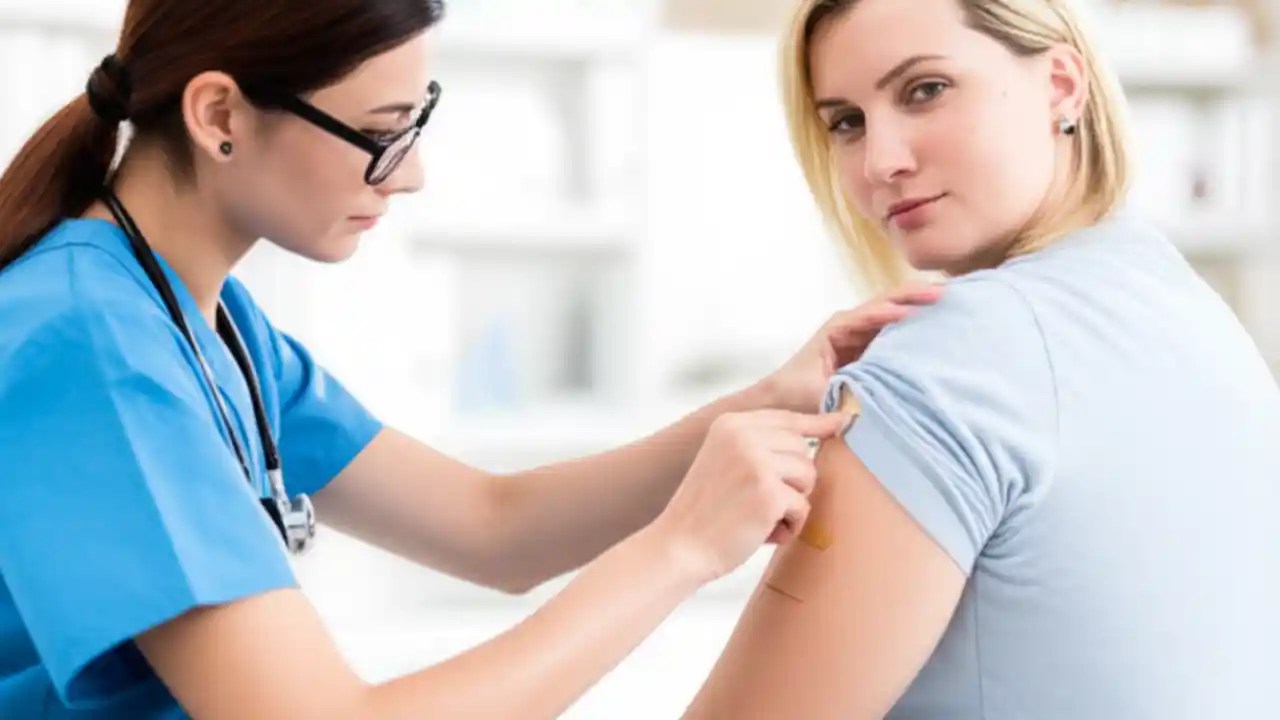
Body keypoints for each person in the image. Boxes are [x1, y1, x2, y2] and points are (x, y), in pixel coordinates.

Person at [0, 1, 947, 718]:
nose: (409, 173)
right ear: (219, 117)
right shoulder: (86, 342)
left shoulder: (213, 328)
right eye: (379, 134)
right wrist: (683, 549)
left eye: (417, 124)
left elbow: (493, 528)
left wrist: (761, 400)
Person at [683, 0, 1280, 718]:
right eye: (847, 122)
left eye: (925, 90)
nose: (881, 162)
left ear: (1061, 84)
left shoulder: (945, 360)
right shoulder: (1188, 307)